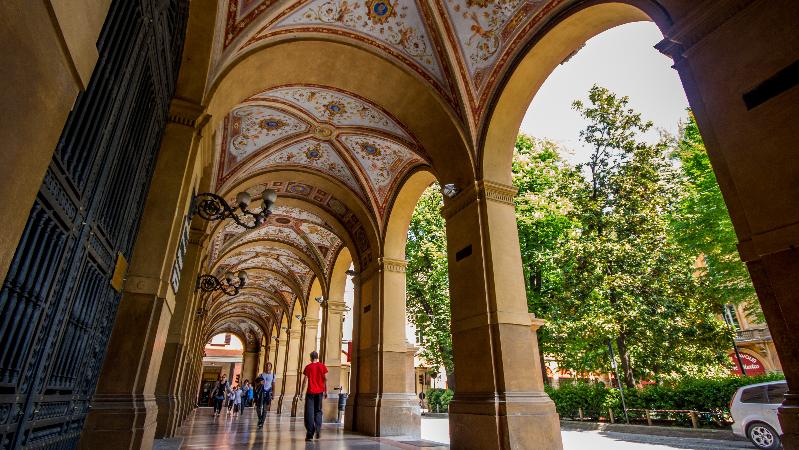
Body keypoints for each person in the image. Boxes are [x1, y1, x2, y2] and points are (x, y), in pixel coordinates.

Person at [300, 351, 328, 441]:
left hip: (310, 393)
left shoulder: (308, 367)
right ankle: (318, 429)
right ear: (317, 357)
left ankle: (310, 434)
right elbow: (325, 379)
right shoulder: (322, 366)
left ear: (310, 357)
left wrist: (301, 392)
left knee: (309, 413)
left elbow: (304, 381)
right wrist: (325, 391)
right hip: (320, 392)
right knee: (318, 411)